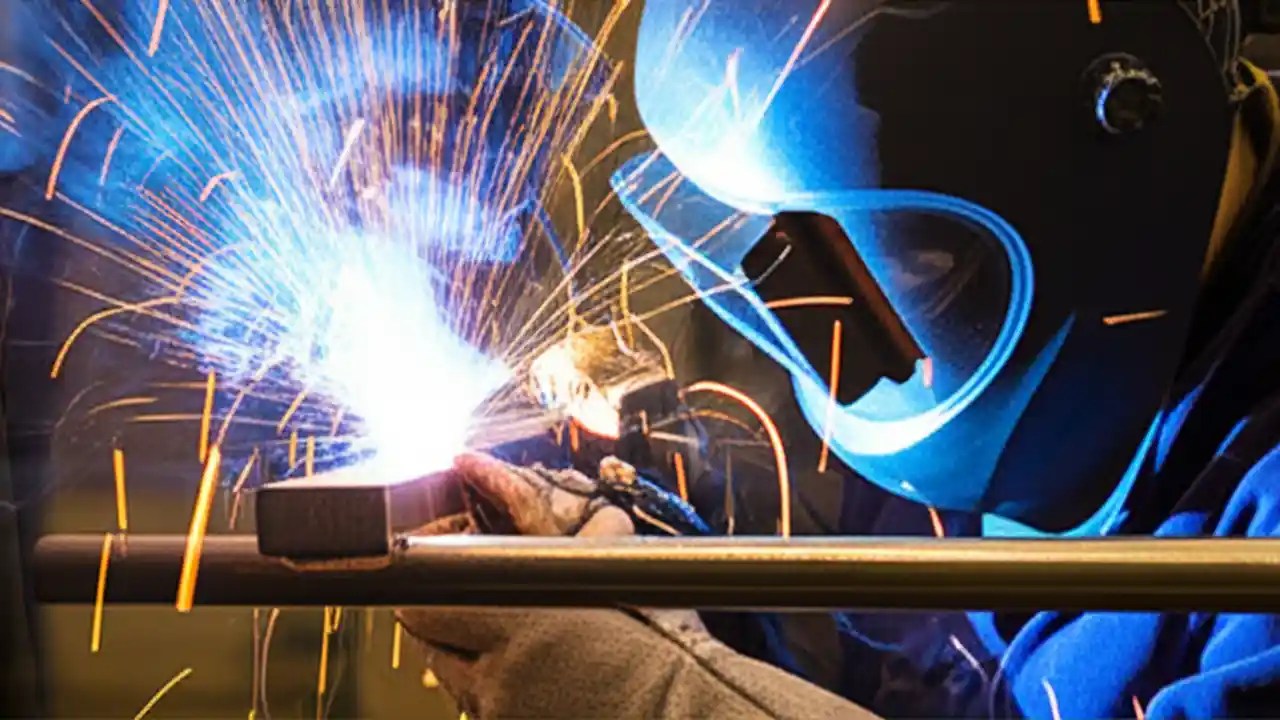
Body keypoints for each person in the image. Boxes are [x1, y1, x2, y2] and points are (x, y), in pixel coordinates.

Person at [400, 1, 1280, 717]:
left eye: (908, 268)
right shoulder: (922, 355)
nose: (853, 324)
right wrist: (681, 587)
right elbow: (916, 683)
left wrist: (660, 694)